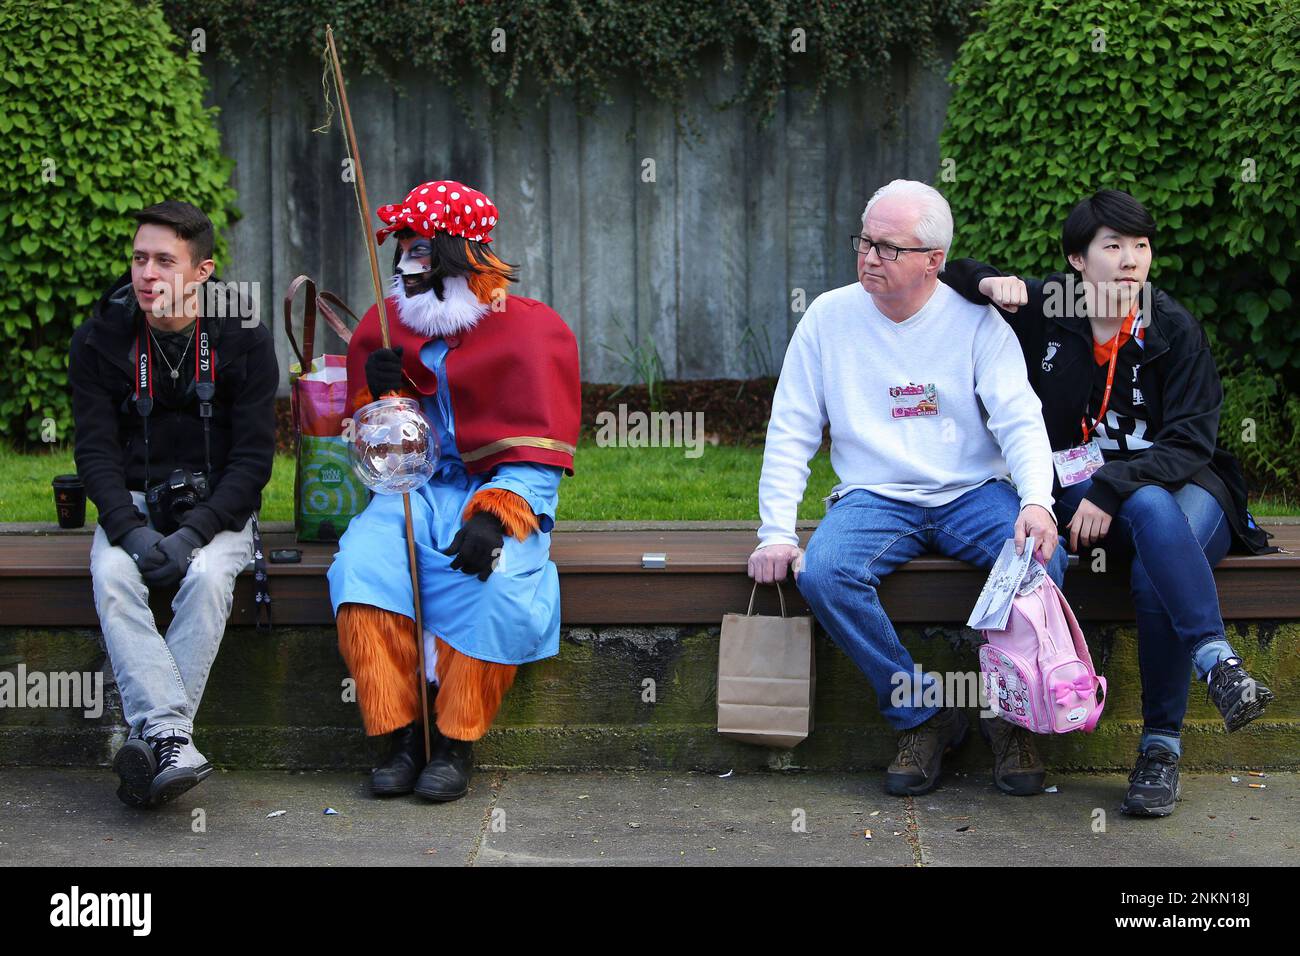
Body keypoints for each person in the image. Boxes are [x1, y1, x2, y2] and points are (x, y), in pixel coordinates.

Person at [942, 188, 1276, 817]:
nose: (1131, 259)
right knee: (1146, 513)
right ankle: (1218, 671)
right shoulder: (1048, 310)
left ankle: (1161, 745)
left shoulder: (1170, 326)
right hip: (1080, 495)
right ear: (1077, 261)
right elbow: (955, 274)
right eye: (1113, 245)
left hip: (1186, 490)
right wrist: (992, 282)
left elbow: (1191, 441)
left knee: (1152, 527)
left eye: (1141, 246)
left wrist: (1111, 487)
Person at [749, 179, 1066, 797]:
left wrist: (1035, 502)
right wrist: (777, 533)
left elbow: (1020, 418)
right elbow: (790, 428)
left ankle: (1008, 717)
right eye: (865, 241)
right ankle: (922, 715)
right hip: (874, 495)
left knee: (1043, 566)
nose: (870, 257)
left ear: (934, 262)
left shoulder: (977, 322)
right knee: (825, 572)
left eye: (888, 248)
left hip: (973, 489)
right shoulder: (827, 317)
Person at [330, 179, 580, 802]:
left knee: (493, 582)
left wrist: (498, 515)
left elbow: (538, 450)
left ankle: (456, 745)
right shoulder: (386, 327)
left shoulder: (531, 331)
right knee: (364, 567)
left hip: (498, 488)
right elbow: (383, 446)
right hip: (412, 488)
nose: (407, 269)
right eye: (402, 253)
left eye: (421, 254)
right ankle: (402, 736)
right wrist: (385, 396)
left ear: (462, 259)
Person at [69, 200, 278, 808]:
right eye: (139, 258)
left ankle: (155, 737)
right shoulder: (102, 338)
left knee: (210, 576)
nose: (147, 274)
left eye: (164, 260)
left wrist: (193, 535)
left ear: (203, 272)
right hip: (131, 500)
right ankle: (172, 740)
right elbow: (96, 455)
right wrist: (131, 534)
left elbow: (252, 464)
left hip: (218, 503)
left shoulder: (243, 337)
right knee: (112, 574)